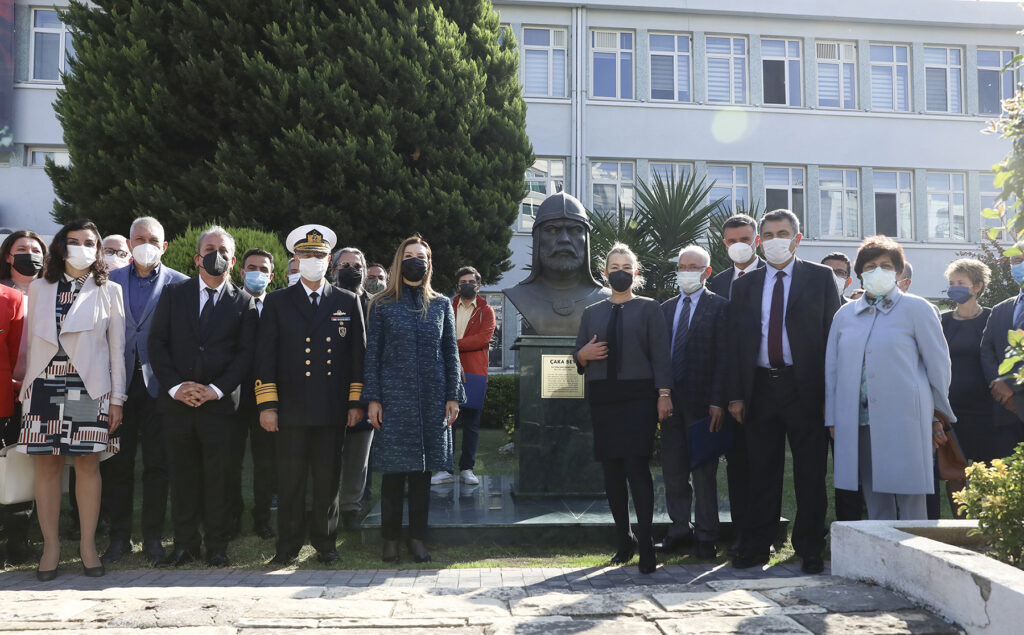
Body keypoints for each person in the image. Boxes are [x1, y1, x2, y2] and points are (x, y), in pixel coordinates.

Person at [727, 209, 839, 574]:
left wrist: (830, 397)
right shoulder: (744, 285)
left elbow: (833, 339)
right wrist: (737, 395)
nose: (776, 239)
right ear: (759, 240)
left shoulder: (821, 278)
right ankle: (758, 547)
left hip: (805, 388)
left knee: (810, 473)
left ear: (797, 238)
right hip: (760, 387)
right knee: (762, 471)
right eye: (769, 233)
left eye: (783, 233)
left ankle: (808, 547)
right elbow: (739, 344)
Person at [19, 219, 127, 580]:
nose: (81, 247)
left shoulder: (109, 290)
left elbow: (117, 352)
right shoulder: (38, 288)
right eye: (74, 241)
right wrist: (25, 388)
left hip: (87, 388)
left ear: (98, 250)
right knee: (47, 466)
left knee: (86, 465)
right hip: (45, 386)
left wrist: (117, 399)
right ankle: (50, 547)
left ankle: (87, 546)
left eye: (89, 242)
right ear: (61, 246)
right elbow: (31, 343)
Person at [148, 226, 258, 568]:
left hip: (220, 407)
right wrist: (176, 387)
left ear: (232, 259)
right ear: (197, 258)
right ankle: (184, 544)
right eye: (210, 248)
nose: (216, 254)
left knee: (219, 478)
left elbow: (245, 354)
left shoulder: (244, 302)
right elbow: (156, 344)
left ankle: (217, 546)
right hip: (177, 404)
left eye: (223, 249)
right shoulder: (173, 293)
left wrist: (216, 389)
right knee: (182, 477)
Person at [257, 226, 365, 565]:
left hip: (332, 408)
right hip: (289, 409)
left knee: (327, 480)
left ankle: (325, 544)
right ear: (296, 259)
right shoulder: (277, 301)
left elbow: (357, 357)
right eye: (306, 255)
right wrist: (268, 405)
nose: (312, 260)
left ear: (329, 260)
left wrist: (355, 402)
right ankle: (287, 547)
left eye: (319, 256)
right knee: (289, 481)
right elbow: (265, 357)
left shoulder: (346, 301)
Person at [826, 236, 954, 520]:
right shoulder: (845, 315)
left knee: (911, 496)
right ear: (860, 273)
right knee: (874, 496)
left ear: (898, 271)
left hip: (907, 418)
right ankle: (881, 559)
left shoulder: (918, 309)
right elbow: (832, 371)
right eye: (870, 266)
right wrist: (833, 417)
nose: (878, 271)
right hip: (860, 420)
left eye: (886, 265)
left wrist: (937, 414)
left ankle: (915, 559)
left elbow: (938, 365)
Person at [364, 236, 463, 564]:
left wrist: (453, 396)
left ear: (429, 263)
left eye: (421, 256)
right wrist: (373, 398)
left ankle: (417, 539)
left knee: (422, 476)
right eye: (409, 256)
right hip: (393, 399)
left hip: (432, 400)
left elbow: (451, 352)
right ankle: (390, 540)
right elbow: (372, 355)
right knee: (393, 475)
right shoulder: (380, 304)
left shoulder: (441, 304)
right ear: (399, 261)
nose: (415, 261)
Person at [575, 243, 672, 575]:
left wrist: (664, 393)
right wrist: (582, 355)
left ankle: (646, 544)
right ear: (605, 273)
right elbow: (579, 355)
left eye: (626, 266)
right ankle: (624, 540)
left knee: (636, 468)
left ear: (636, 272)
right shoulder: (591, 313)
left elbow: (661, 354)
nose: (620, 270)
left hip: (639, 399)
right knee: (612, 472)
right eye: (614, 265)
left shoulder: (649, 308)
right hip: (603, 398)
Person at [101, 217, 188, 565]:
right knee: (117, 466)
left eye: (153, 239)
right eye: (139, 238)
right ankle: (119, 538)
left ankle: (153, 537)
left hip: (160, 388)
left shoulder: (180, 284)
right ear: (129, 242)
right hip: (117, 388)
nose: (146, 243)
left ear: (164, 246)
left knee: (158, 465)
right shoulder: (107, 281)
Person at [657, 245, 728, 561]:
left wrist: (718, 401)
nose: (686, 271)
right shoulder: (666, 309)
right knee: (673, 470)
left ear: (707, 272)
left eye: (693, 266)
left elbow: (724, 359)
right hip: (670, 402)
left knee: (703, 472)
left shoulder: (720, 308)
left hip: (704, 404)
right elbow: (659, 357)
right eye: (682, 266)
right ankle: (678, 529)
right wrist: (662, 393)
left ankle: (706, 534)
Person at [707, 213, 759, 556]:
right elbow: (718, 345)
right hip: (731, 393)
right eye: (731, 241)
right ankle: (742, 535)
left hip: (770, 385)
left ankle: (764, 532)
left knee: (767, 467)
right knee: (739, 467)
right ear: (723, 244)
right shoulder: (719, 284)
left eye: (744, 239)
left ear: (757, 239)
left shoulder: (774, 277)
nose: (738, 245)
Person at [0, 230, 46, 566]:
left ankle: (19, 541)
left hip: (39, 394)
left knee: (23, 470)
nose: (29, 255)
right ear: (7, 256)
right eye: (21, 250)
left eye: (35, 249)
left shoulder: (53, 292)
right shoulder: (7, 297)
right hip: (9, 391)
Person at [936, 258, 992, 517]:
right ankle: (961, 526)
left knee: (987, 474)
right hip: (951, 410)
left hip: (986, 411)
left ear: (977, 287)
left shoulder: (992, 318)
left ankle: (988, 528)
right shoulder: (942, 322)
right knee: (955, 472)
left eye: (961, 283)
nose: (954, 287)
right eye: (951, 283)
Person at [433, 266, 495, 487]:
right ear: (457, 286)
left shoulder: (486, 311)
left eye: (471, 281)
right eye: (462, 282)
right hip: (447, 371)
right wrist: (451, 350)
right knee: (446, 422)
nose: (466, 285)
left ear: (479, 285)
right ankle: (444, 468)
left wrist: (453, 345)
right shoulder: (446, 307)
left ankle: (467, 468)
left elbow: (483, 338)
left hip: (475, 373)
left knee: (471, 423)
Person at [230, 247, 277, 540]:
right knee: (231, 459)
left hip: (267, 395)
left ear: (271, 276)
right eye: (251, 267)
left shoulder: (278, 305)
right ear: (241, 271)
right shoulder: (229, 302)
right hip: (233, 394)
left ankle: (262, 519)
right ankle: (233, 517)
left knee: (266, 461)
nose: (256, 273)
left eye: (263, 269)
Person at [331, 247, 375, 533]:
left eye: (356, 264)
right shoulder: (326, 300)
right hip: (331, 390)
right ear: (334, 270)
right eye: (344, 264)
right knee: (327, 454)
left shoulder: (378, 304)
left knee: (359, 457)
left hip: (367, 390)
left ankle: (351, 509)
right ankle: (323, 508)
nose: (351, 269)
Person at [979, 249, 1024, 463]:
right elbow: (987, 350)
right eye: (1016, 260)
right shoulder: (1000, 309)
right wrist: (1001, 387)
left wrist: (1016, 391)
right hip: (1004, 411)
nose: (1020, 264)